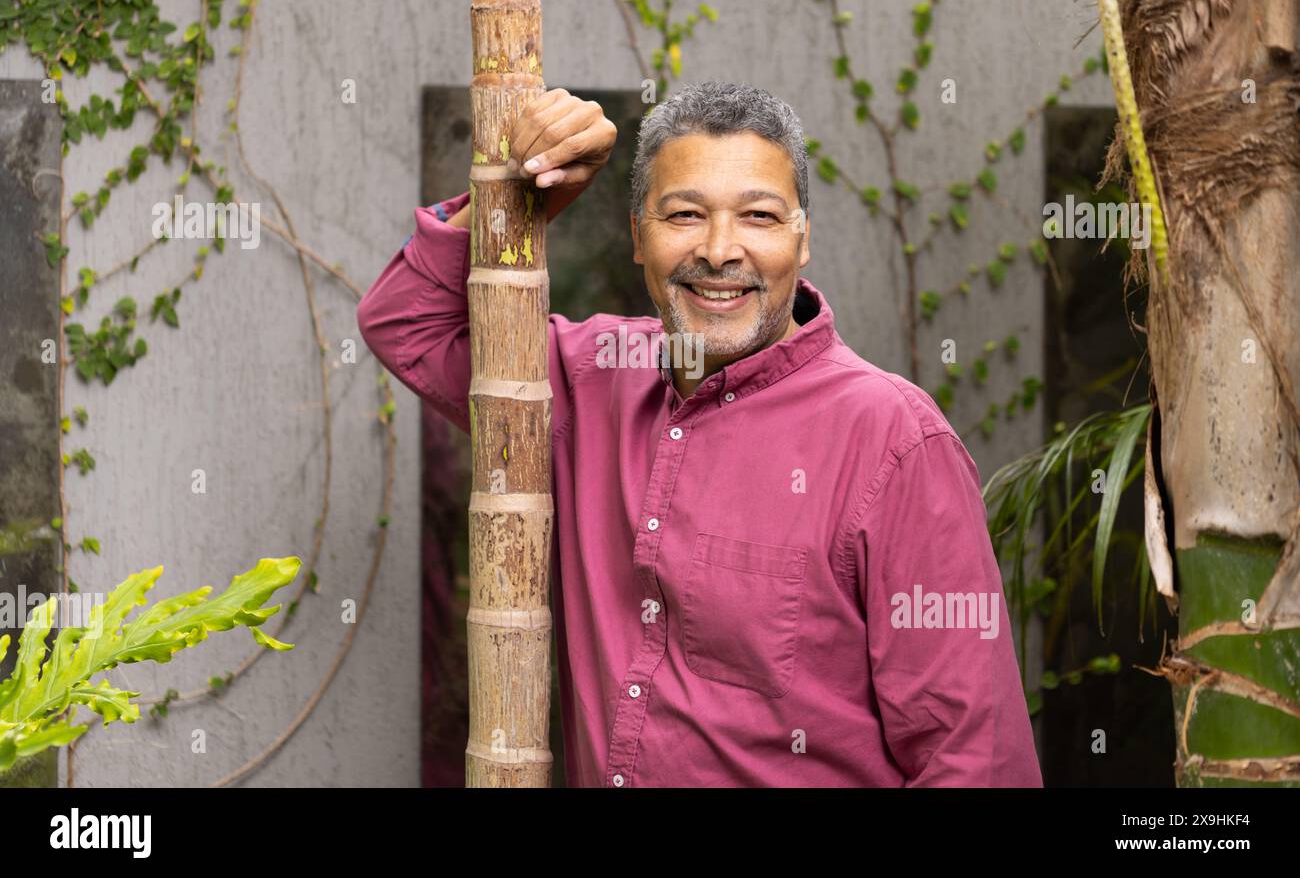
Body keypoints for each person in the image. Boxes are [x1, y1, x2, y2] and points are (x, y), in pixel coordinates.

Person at [357, 81, 1043, 787]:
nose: (719, 250)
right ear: (636, 236)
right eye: (684, 213)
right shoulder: (583, 381)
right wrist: (524, 200)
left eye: (759, 216)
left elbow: (976, 760)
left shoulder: (892, 441)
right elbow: (406, 321)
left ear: (802, 239)